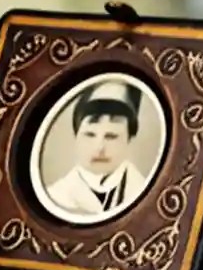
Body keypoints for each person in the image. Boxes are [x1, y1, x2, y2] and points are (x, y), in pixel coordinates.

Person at [46, 80, 150, 216]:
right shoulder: (56, 196)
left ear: (129, 139)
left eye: (112, 136)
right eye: (89, 135)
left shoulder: (144, 190)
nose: (99, 147)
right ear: (76, 136)